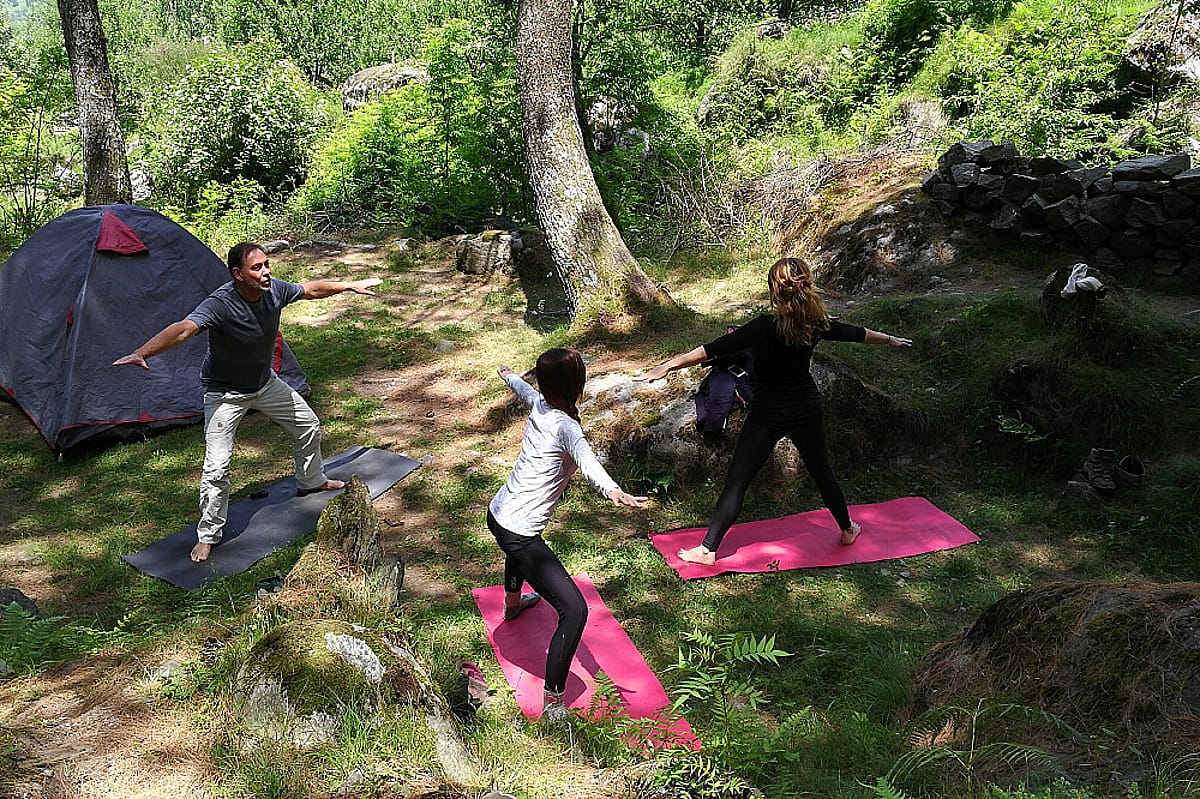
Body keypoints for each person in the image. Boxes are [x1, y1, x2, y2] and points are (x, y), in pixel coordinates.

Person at [114, 242, 382, 563]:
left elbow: (309, 289)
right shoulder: (221, 303)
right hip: (225, 393)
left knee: (307, 425)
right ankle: (208, 535)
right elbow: (184, 329)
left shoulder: (273, 291)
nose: (266, 272)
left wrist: (349, 285)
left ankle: (311, 481)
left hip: (264, 383)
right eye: (257, 268)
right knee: (217, 467)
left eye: (267, 264)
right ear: (238, 274)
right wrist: (143, 352)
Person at [638, 257, 911, 566]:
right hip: (806, 407)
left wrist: (668, 365)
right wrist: (891, 339)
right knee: (822, 472)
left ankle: (708, 549)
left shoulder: (764, 327)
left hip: (768, 413)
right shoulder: (816, 325)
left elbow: (714, 348)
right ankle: (848, 530)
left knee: (738, 481)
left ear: (774, 290)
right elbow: (856, 333)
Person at [488, 348, 648, 720]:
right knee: (574, 610)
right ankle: (554, 704)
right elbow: (587, 459)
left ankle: (513, 608)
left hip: (497, 514)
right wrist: (613, 490)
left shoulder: (541, 406)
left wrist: (511, 375)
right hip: (518, 530)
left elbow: (525, 392)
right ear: (578, 387)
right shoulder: (566, 426)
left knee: (518, 549)